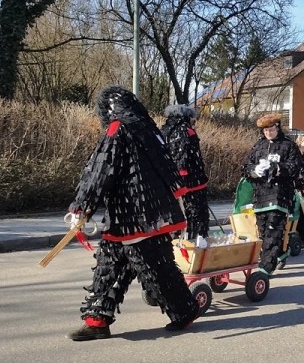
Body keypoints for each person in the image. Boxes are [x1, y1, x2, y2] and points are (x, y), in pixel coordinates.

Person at [66, 86, 199, 341]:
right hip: (136, 216)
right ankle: (97, 320)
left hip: (138, 217)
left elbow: (102, 170)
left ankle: (184, 310)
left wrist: (81, 205)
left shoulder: (119, 129)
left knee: (156, 270)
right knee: (111, 265)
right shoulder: (150, 131)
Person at [242, 113, 302, 274]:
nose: (268, 132)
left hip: (280, 195)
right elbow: (245, 166)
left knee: (272, 229)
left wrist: (276, 168)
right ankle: (281, 253)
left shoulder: (288, 145)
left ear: (277, 127)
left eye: (271, 129)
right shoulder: (258, 146)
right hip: (260, 195)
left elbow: (295, 168)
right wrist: (254, 171)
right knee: (263, 232)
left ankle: (266, 268)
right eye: (265, 130)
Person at [161, 104, 210, 240]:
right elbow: (184, 156)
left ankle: (176, 243)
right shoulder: (186, 131)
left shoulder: (164, 131)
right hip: (192, 183)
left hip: (170, 183)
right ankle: (195, 241)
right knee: (196, 215)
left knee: (175, 216)